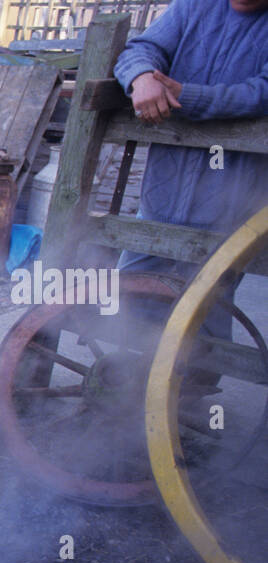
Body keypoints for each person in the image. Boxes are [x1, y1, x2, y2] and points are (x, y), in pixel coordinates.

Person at [114, 0, 268, 324]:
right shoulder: (193, 6)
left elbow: (261, 93)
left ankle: (192, 370)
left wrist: (187, 95)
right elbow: (140, 49)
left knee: (205, 312)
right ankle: (128, 365)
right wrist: (141, 77)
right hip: (162, 192)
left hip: (226, 176)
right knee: (127, 302)